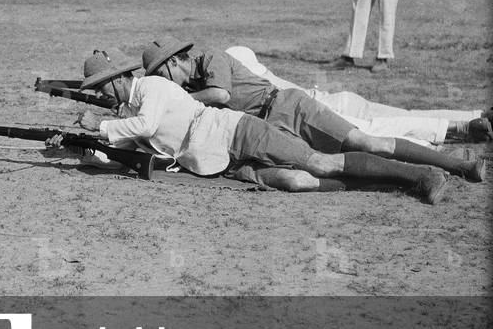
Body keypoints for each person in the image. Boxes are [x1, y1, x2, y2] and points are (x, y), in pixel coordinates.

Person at [56, 50, 452, 204]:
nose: (103, 95)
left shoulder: (152, 89)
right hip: (217, 160)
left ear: (117, 79)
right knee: (299, 182)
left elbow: (146, 124)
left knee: (322, 163)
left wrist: (102, 125)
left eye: (102, 88)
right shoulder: (133, 106)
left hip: (241, 130)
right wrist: (84, 150)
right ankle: (391, 182)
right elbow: (139, 149)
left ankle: (421, 174)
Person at [140, 36, 485, 183]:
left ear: (174, 62)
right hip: (266, 129)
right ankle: (420, 178)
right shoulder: (188, 87)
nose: (163, 83)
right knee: (325, 168)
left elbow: (221, 96)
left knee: (367, 142)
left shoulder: (210, 60)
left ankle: (459, 165)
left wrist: (177, 100)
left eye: (161, 74)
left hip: (289, 107)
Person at [224, 45, 493, 145]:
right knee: (397, 118)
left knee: (380, 129)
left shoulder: (229, 64)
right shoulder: (236, 57)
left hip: (318, 109)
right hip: (327, 100)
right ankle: (474, 118)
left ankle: (465, 127)